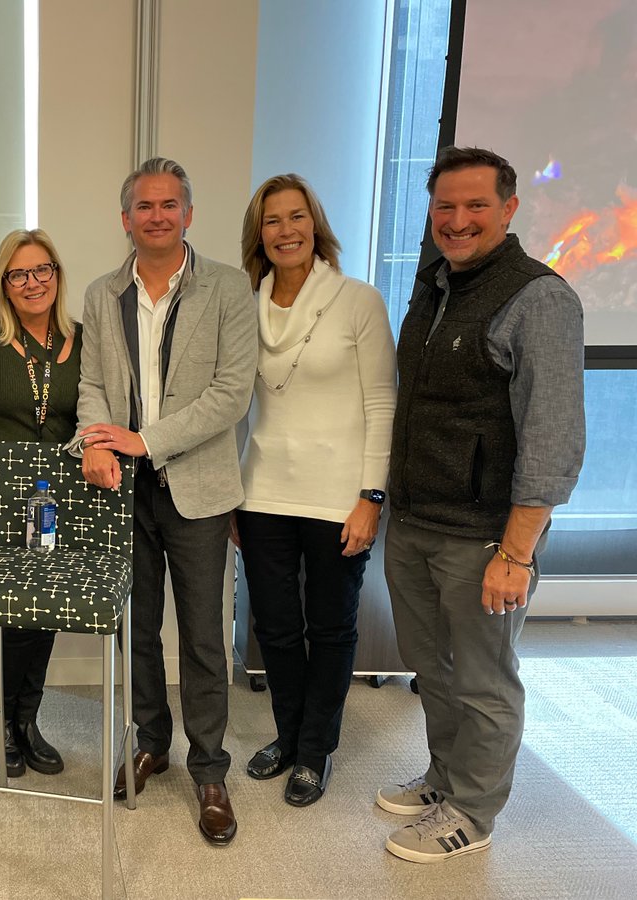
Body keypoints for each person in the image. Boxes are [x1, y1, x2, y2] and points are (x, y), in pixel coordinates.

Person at [379, 146, 584, 862]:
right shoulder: (436, 284)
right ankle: (445, 778)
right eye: (445, 206)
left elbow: (553, 438)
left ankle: (472, 811)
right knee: (432, 667)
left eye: (475, 205)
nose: (457, 220)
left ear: (509, 209)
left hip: (484, 537)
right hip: (415, 520)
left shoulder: (539, 298)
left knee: (483, 679)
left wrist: (516, 553)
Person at [76, 157, 257, 845]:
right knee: (139, 627)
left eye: (169, 204)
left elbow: (231, 394)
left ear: (189, 214)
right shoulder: (103, 293)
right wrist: (96, 441)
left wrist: (144, 441)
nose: (157, 215)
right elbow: (93, 384)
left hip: (199, 487)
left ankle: (209, 768)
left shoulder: (227, 288)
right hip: (125, 491)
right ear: (125, 218)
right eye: (144, 206)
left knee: (204, 636)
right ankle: (151, 741)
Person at [233, 174, 397, 807]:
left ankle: (315, 750)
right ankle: (288, 734)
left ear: (316, 224)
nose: (286, 230)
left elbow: (382, 403)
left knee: (330, 628)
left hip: (338, 498)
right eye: (272, 220)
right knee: (274, 628)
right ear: (259, 234)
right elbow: (235, 407)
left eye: (296, 216)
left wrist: (371, 497)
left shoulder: (358, 301)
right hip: (263, 492)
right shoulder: (245, 307)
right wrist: (232, 492)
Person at [0, 228, 82, 778]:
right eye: (19, 274)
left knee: (44, 612)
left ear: (57, 274)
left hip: (60, 499)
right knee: (16, 611)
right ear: (4, 283)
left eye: (42, 270)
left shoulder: (82, 340)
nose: (32, 282)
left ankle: (26, 721)